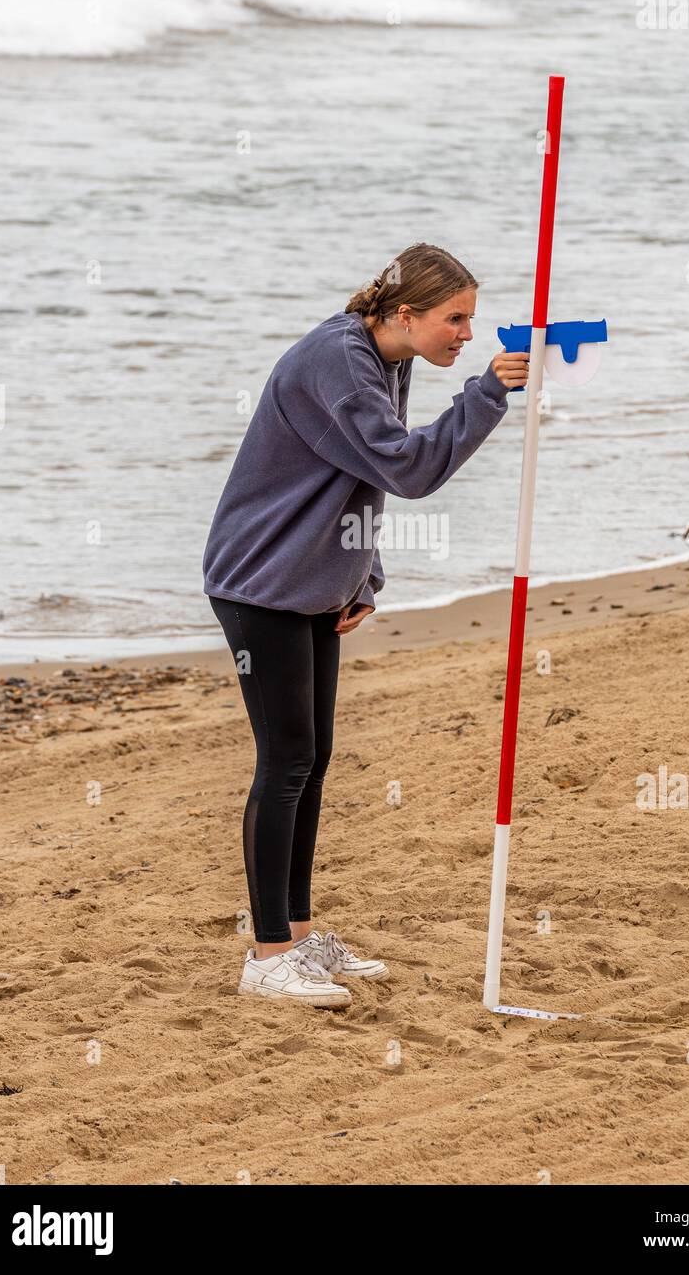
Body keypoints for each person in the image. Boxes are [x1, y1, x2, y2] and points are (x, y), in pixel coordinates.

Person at [203, 242, 530, 1008]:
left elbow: (361, 471)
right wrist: (485, 395)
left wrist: (363, 572)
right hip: (262, 581)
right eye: (456, 319)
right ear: (406, 313)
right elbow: (410, 470)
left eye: (471, 321)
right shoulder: (338, 358)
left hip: (314, 579)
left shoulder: (387, 356)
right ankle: (266, 956)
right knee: (284, 760)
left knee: (312, 759)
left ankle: (299, 935)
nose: (466, 335)